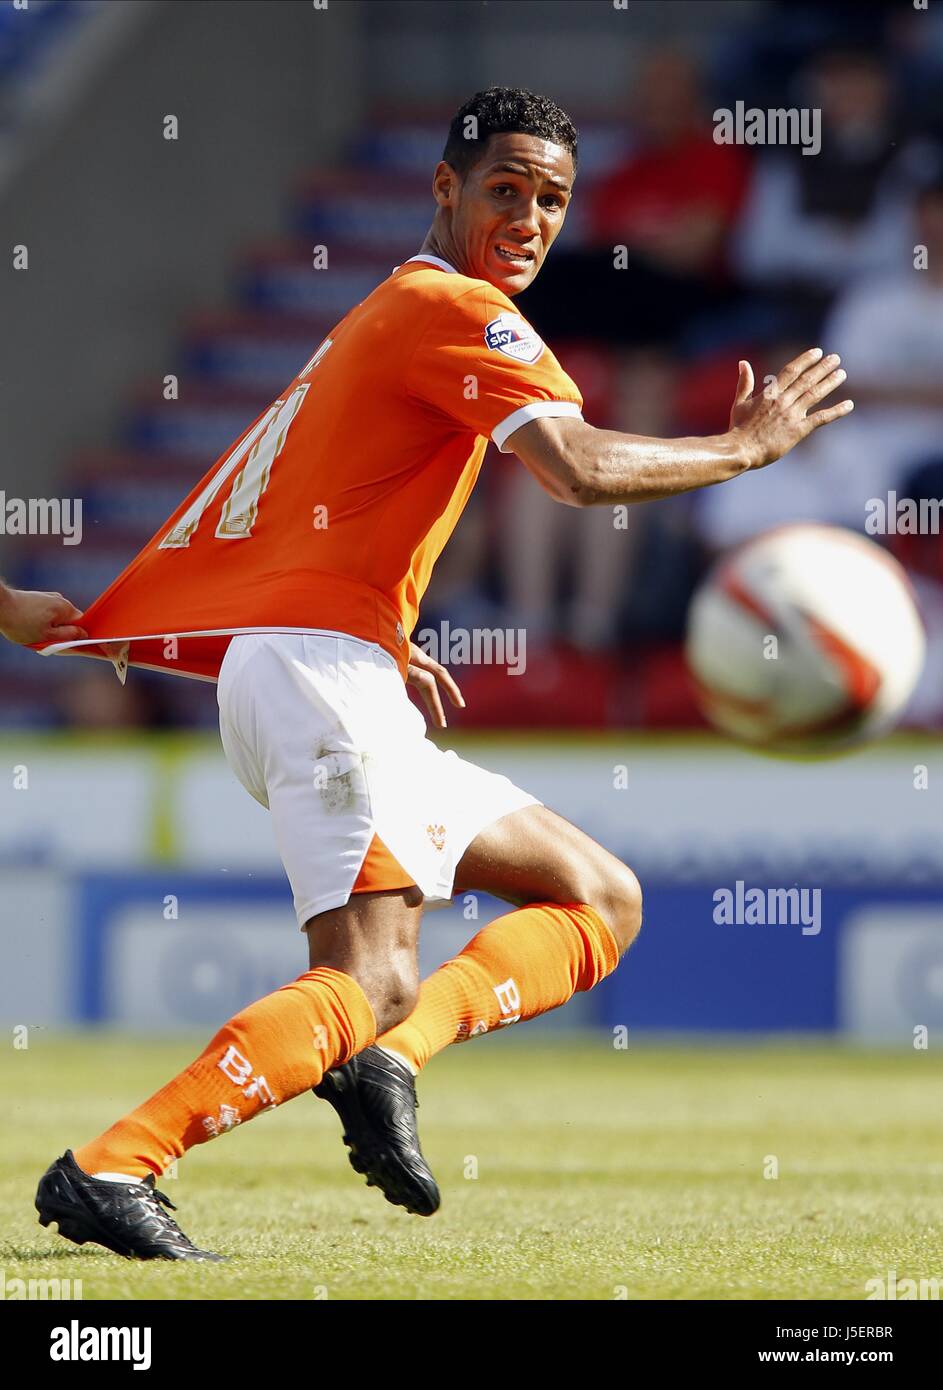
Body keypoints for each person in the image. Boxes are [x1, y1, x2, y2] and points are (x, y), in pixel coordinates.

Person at [0, 87, 853, 1261]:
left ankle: (383, 1064)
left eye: (552, 198)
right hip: (315, 678)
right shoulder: (455, 309)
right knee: (374, 971)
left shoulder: (397, 314)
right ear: (444, 189)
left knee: (596, 897)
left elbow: (314, 496)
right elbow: (575, 468)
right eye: (505, 188)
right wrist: (743, 447)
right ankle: (115, 1164)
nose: (531, 217)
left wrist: (373, 623)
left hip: (338, 670)